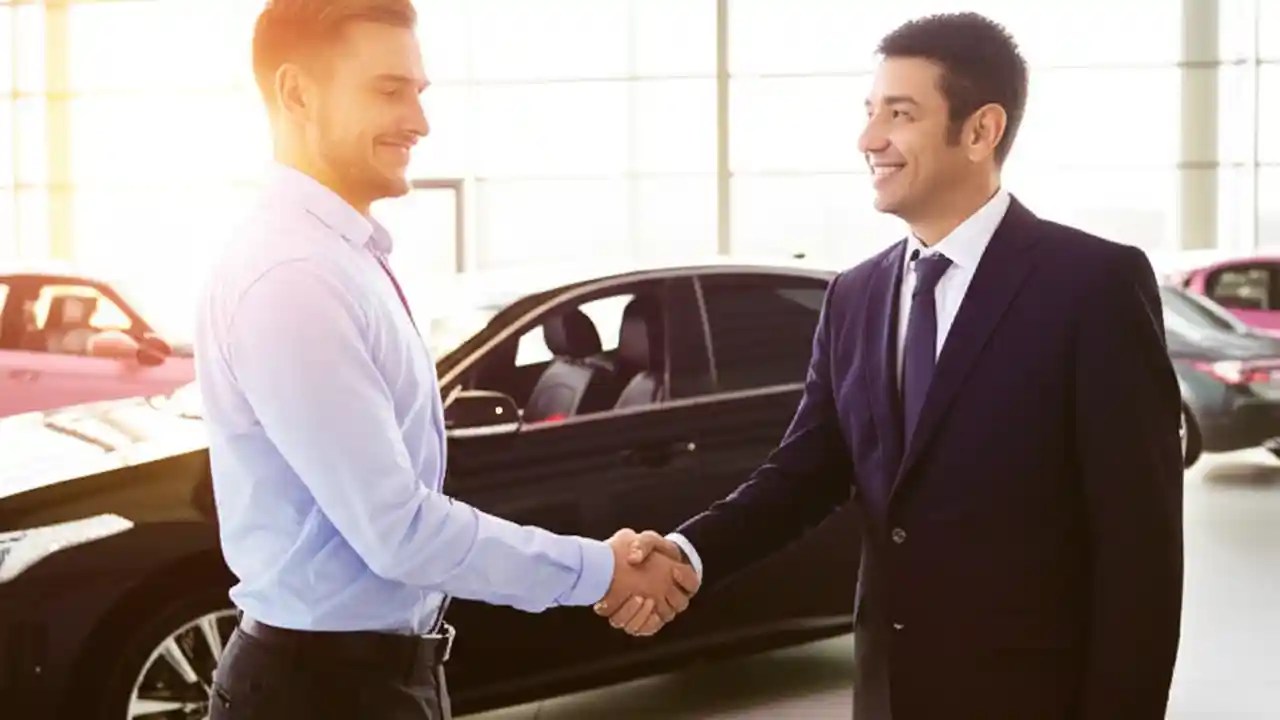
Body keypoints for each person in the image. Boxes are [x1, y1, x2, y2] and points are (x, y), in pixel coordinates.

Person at [607, 12, 1183, 720]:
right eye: (870, 111)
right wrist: (688, 554)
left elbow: (1140, 550)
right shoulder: (856, 293)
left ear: (980, 131)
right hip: (891, 696)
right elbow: (804, 474)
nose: (869, 139)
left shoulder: (1091, 286)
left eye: (900, 114)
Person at [194, 2, 697, 718]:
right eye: (388, 90)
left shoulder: (340, 258)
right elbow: (397, 531)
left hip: (366, 678)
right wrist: (600, 570)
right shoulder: (293, 276)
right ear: (297, 93)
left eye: (418, 94)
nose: (419, 122)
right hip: (324, 694)